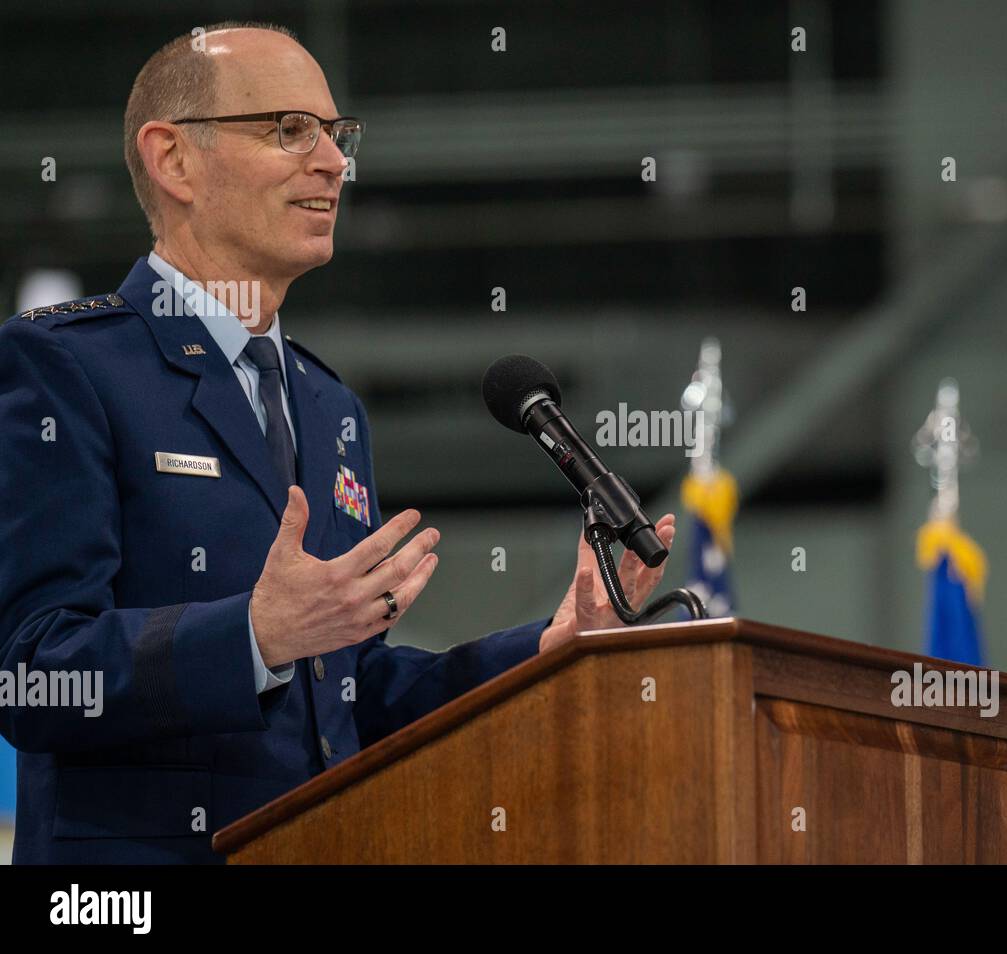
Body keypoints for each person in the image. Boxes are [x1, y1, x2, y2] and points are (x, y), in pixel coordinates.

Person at [0, 21, 675, 864]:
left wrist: (540, 651)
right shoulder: (66, 366)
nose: (333, 163)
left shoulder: (329, 407)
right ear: (174, 160)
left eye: (337, 134)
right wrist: (251, 636)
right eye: (289, 130)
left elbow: (351, 694)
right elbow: (30, 673)